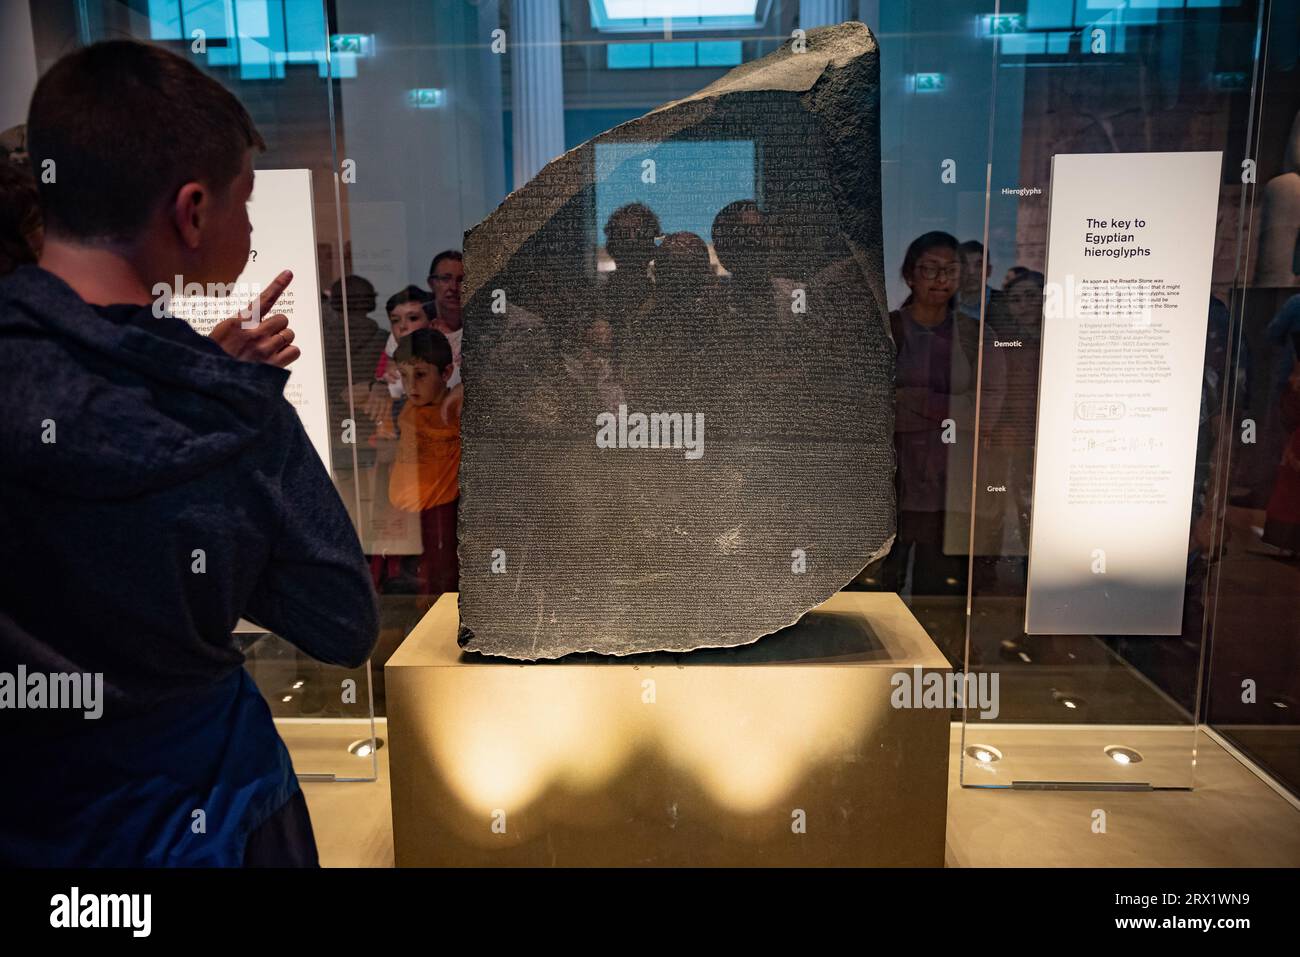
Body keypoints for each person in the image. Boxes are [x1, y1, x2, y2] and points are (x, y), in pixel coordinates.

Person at [0, 40, 379, 866]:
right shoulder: (223, 408)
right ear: (194, 211)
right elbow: (341, 615)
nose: (247, 225)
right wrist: (218, 389)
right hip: (204, 809)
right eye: (245, 202)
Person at [387, 328, 463, 597]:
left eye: (420, 375)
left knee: (439, 584)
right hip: (403, 514)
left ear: (445, 373)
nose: (410, 387)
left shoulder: (455, 409)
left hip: (440, 513)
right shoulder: (405, 409)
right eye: (404, 376)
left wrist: (464, 389)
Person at [425, 250, 464, 386]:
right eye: (446, 279)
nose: (453, 287)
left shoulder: (484, 325)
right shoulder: (414, 319)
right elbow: (384, 367)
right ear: (431, 283)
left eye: (461, 280)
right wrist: (380, 384)